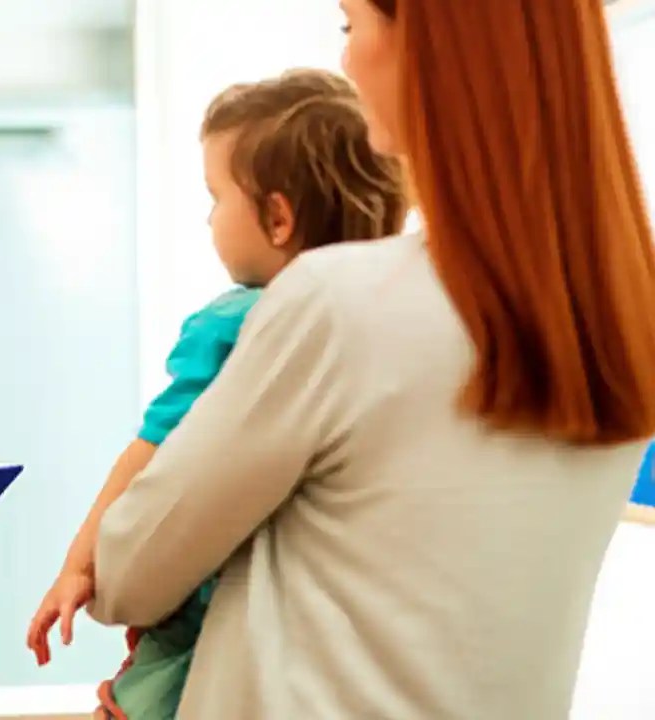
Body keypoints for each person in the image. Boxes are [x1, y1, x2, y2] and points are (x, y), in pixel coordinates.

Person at [87, 0, 655, 717]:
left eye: (352, 26)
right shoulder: (623, 320)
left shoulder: (336, 304)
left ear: (428, 48)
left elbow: (129, 571)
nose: (348, 62)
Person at [25, 69, 407, 719]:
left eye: (215, 197)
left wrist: (77, 567)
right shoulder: (396, 321)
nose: (208, 217)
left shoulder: (232, 326)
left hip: (202, 627)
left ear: (278, 217)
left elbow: (146, 454)